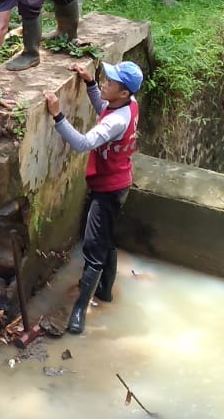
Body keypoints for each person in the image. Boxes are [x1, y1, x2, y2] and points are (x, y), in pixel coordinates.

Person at [43, 59, 143, 335]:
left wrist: (58, 116)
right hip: (117, 181)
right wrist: (90, 84)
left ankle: (79, 311)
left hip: (109, 189)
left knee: (93, 246)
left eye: (110, 82)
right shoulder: (128, 105)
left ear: (124, 92)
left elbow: (83, 143)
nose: (104, 84)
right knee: (104, 237)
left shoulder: (117, 120)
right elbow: (104, 110)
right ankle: (105, 291)